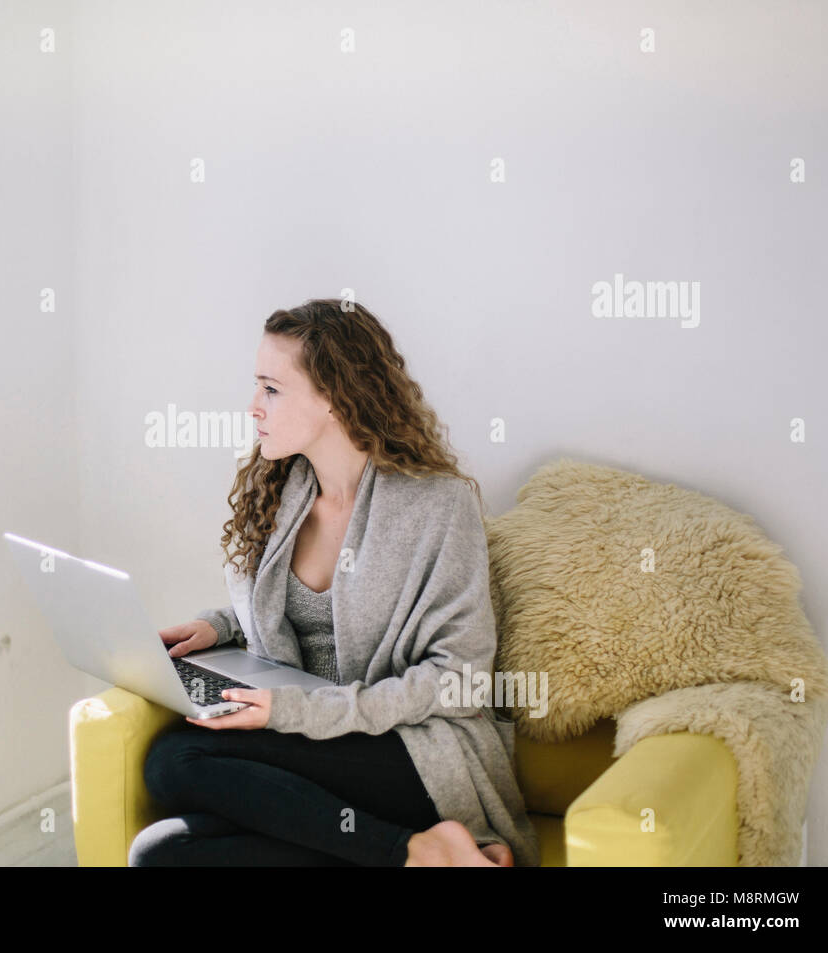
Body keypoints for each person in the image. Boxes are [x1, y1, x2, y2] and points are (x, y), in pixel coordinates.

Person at [127, 298, 539, 867]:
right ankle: (414, 854)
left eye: (271, 389)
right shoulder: (283, 491)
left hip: (409, 746)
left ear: (332, 395)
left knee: (175, 761)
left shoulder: (437, 507)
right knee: (159, 852)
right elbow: (287, 615)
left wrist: (293, 714)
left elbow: (457, 678)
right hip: (312, 742)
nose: (253, 407)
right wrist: (215, 626)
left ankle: (415, 851)